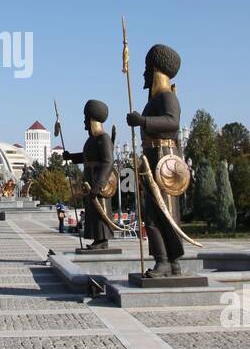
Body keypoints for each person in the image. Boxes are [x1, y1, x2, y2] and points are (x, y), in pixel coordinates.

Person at [125, 44, 188, 277]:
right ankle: (170, 261)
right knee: (154, 213)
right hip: (152, 158)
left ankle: (166, 261)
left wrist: (142, 121)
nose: (143, 73)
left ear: (154, 69)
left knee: (161, 212)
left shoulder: (167, 97)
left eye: (146, 68)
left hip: (164, 160)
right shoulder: (154, 99)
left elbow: (172, 123)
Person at [61, 100, 116, 249]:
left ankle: (103, 240)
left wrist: (99, 184)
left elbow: (108, 162)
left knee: (101, 209)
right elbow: (86, 157)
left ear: (92, 119)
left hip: (100, 182)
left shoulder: (103, 138)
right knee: (93, 211)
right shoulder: (92, 140)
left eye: (86, 118)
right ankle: (98, 240)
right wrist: (71, 157)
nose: (84, 121)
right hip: (90, 180)